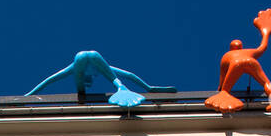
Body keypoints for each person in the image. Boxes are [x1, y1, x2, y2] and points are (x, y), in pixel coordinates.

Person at [205, 9, 271, 114]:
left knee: (225, 90)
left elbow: (223, 73)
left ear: (231, 48)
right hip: (251, 62)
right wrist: (266, 32)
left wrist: (221, 88)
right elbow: (263, 47)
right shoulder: (248, 51)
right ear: (241, 47)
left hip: (236, 64)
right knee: (266, 83)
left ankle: (225, 94)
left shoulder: (226, 55)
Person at [25, 51, 176, 107]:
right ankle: (120, 86)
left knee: (80, 86)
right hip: (94, 55)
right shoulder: (95, 68)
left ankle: (120, 87)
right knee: (111, 76)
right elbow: (129, 74)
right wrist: (148, 88)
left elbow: (49, 80)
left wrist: (28, 95)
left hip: (80, 58)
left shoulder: (74, 69)